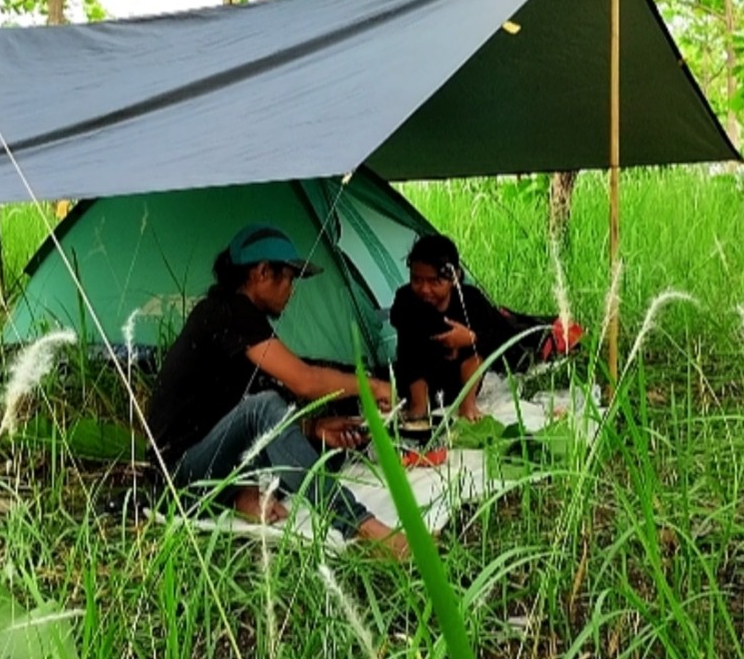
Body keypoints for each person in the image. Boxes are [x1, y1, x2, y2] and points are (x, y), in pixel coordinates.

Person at [146, 223, 408, 559]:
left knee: (321, 446)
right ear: (261, 272)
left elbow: (229, 412)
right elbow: (303, 380)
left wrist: (311, 429)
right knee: (265, 406)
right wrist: (371, 385)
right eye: (288, 278)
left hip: (210, 461)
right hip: (177, 476)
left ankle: (239, 495)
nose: (292, 290)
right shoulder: (228, 312)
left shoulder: (237, 320)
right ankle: (361, 527)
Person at [390, 234, 514, 422]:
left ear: (454, 277)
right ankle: (419, 406)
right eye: (416, 280)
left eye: (434, 282)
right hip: (420, 374)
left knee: (475, 354)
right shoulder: (406, 299)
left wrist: (471, 338)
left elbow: (502, 336)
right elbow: (408, 348)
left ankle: (468, 405)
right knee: (411, 353)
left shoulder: (470, 300)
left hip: (460, 378)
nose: (424, 289)